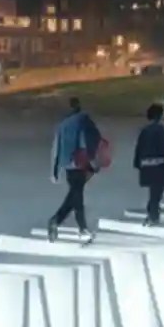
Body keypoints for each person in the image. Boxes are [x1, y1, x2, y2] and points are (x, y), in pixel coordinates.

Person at [48, 97, 102, 243]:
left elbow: (56, 147)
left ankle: (57, 221)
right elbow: (92, 138)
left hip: (68, 164)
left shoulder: (62, 125)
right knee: (76, 195)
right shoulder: (84, 120)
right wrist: (93, 161)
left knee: (75, 194)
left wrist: (54, 170)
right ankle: (79, 227)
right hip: (81, 161)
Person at [134, 103, 164, 225]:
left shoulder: (144, 131)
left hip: (146, 165)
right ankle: (153, 214)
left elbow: (139, 148)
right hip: (159, 166)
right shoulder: (160, 130)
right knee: (157, 191)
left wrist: (137, 163)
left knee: (153, 191)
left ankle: (152, 213)